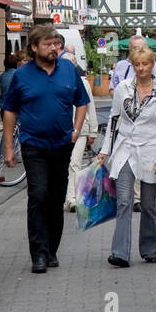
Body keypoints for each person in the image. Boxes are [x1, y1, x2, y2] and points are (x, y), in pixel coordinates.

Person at [1, 25, 93, 273]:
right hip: (34, 144)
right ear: (33, 47)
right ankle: (38, 254)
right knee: (38, 195)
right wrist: (9, 147)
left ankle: (51, 249)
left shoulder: (68, 70)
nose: (54, 48)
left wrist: (76, 130)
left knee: (55, 198)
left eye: (56, 44)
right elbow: (9, 110)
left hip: (62, 144)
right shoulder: (22, 75)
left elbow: (82, 102)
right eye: (48, 44)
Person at [100, 42, 156, 267]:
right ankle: (120, 252)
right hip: (125, 148)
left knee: (148, 205)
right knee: (124, 201)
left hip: (151, 150)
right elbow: (114, 119)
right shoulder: (123, 88)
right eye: (137, 64)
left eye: (145, 64)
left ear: (153, 65)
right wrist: (105, 150)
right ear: (132, 65)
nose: (141, 68)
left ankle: (150, 247)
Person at [61, 47, 100, 212]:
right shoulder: (58, 83)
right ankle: (64, 196)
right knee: (63, 165)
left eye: (71, 64)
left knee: (74, 164)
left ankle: (72, 199)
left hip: (81, 130)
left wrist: (93, 131)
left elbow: (90, 107)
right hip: (60, 130)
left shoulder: (83, 83)